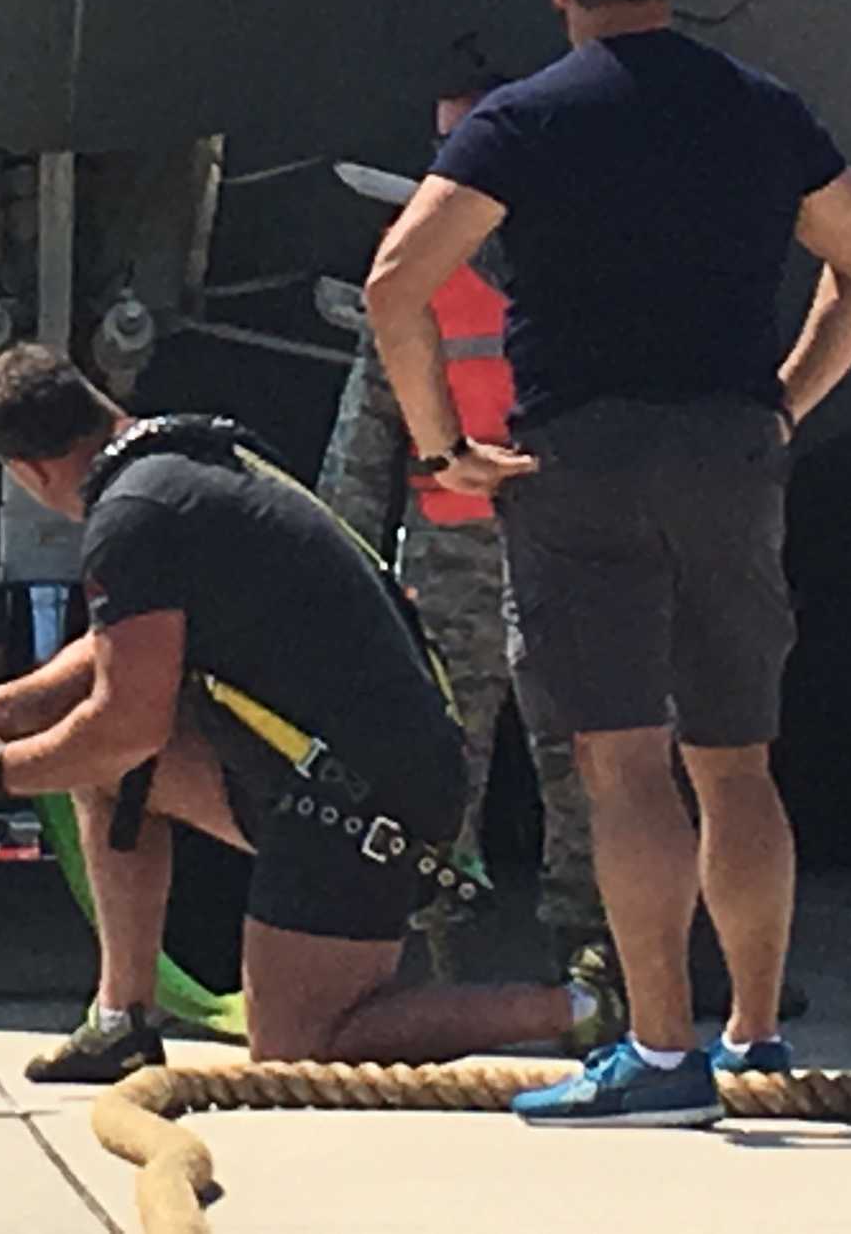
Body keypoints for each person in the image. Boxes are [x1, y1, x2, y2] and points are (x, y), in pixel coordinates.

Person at [366, 0, 851, 1126]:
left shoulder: (523, 121)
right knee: (739, 765)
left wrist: (446, 446)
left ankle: (663, 1055)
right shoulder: (764, 111)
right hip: (730, 452)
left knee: (622, 769)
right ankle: (757, 1037)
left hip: (581, 466)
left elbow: (400, 282)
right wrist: (784, 400)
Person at [0, 347, 602, 1082]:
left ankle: (576, 1007)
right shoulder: (182, 467)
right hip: (348, 771)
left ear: (30, 472)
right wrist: (4, 709)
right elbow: (117, 648)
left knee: (297, 1043)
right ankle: (122, 1019)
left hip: (364, 801)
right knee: (112, 772)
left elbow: (128, 724)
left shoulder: (131, 515)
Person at [317, 78, 604, 1011]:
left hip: (569, 560)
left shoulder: (576, 275)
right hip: (453, 570)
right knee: (442, 770)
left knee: (589, 761)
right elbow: (365, 446)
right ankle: (425, 953)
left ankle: (595, 948)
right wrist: (348, 579)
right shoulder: (418, 291)